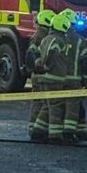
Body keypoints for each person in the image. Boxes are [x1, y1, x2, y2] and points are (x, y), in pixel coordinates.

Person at [33, 10, 70, 144]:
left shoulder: (45, 39)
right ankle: (55, 135)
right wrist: (47, 66)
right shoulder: (59, 40)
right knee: (56, 107)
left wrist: (39, 67)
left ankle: (37, 130)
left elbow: (36, 55)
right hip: (54, 78)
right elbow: (52, 53)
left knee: (47, 105)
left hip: (43, 78)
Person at [61, 9, 87, 143]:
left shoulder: (56, 37)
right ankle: (69, 132)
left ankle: (81, 131)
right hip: (74, 80)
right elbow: (85, 62)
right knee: (73, 106)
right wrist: (86, 80)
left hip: (58, 79)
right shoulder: (80, 40)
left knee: (60, 105)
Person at [26, 9, 56, 141]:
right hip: (40, 74)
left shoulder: (41, 34)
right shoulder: (41, 35)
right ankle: (37, 128)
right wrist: (38, 67)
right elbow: (31, 54)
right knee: (42, 102)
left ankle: (35, 127)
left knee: (38, 102)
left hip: (38, 74)